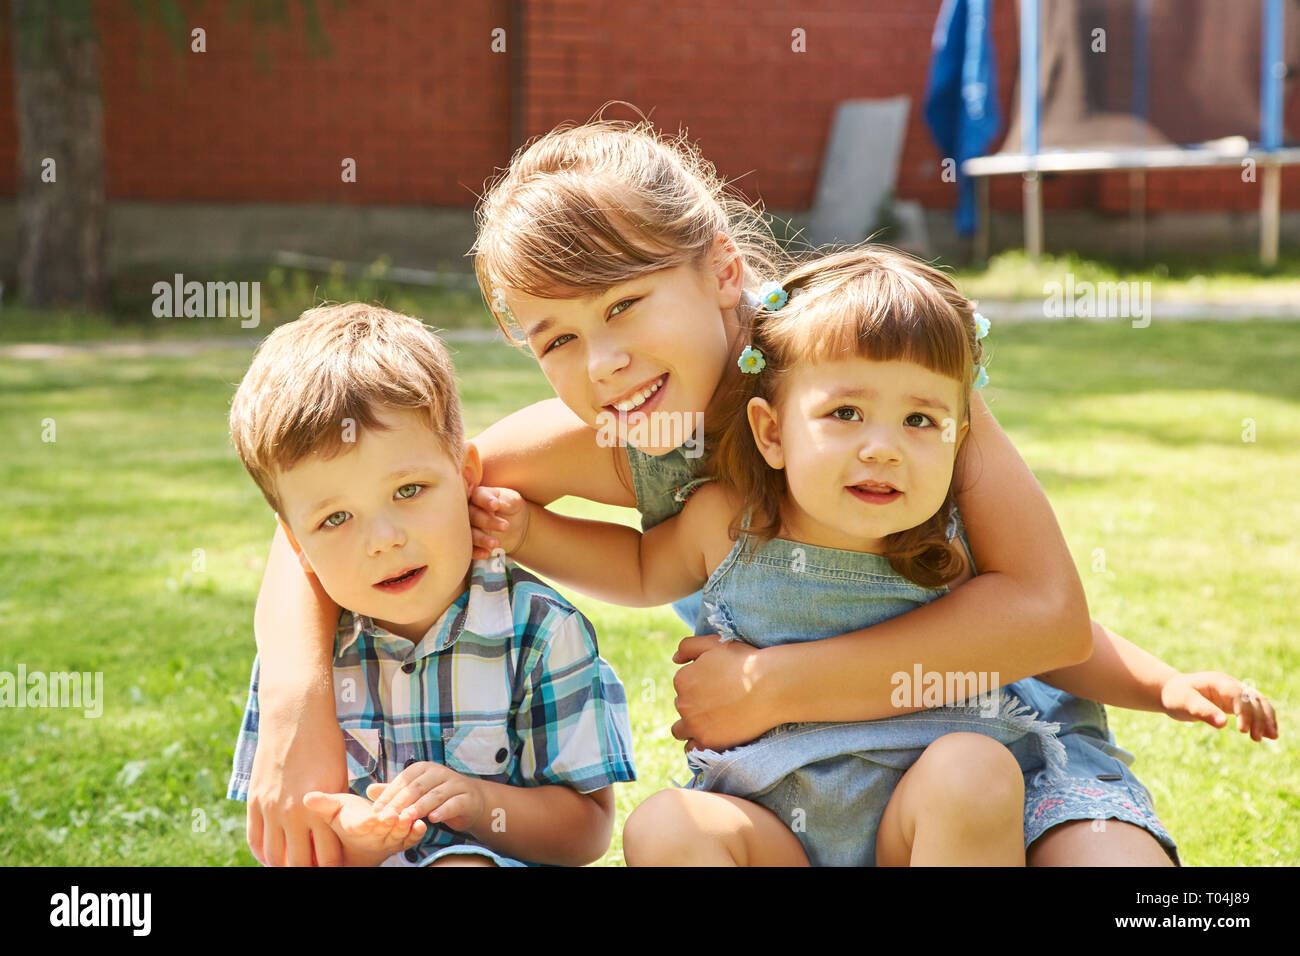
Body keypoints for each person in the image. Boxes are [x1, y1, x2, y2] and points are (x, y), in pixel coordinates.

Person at [247, 118, 1276, 866]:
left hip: (1003, 749)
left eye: (625, 304)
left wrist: (775, 686)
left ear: (724, 269)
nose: (601, 362)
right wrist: (298, 699)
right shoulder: (630, 437)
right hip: (797, 788)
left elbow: (1047, 610)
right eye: (556, 337)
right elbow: (361, 492)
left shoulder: (876, 375)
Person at [480, 247, 1275, 865]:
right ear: (771, 432)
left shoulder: (938, 548)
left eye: (920, 423)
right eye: (848, 413)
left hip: (932, 822)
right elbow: (644, 570)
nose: (882, 449)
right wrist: (530, 534)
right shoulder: (729, 519)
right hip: (780, 813)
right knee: (666, 826)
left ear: (960, 439)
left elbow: (1059, 640)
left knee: (971, 768)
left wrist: (1164, 684)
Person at [225, 302, 635, 866]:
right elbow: (288, 844)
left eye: (410, 490)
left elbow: (587, 832)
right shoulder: (309, 655)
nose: (384, 539)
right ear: (297, 546)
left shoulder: (539, 631)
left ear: (466, 476)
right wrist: (357, 838)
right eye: (335, 519)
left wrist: (479, 803)